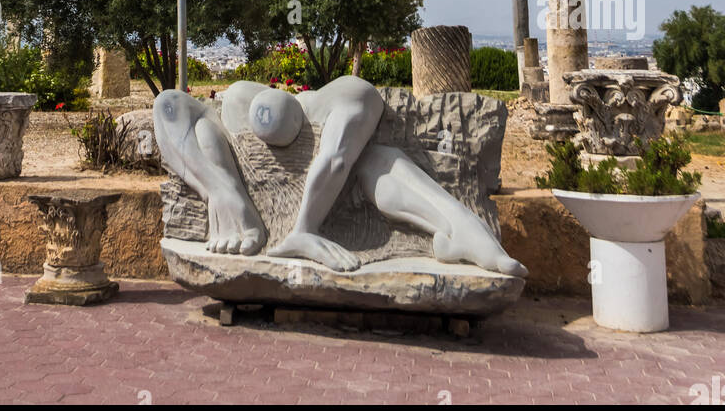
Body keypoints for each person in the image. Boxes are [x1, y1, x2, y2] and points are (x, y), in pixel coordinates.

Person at [154, 76, 526, 277]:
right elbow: (168, 106)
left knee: (381, 163)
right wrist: (219, 190)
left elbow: (334, 159)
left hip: (358, 184)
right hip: (260, 200)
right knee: (379, 164)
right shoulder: (238, 104)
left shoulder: (347, 98)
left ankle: (464, 234)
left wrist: (304, 230)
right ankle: (462, 233)